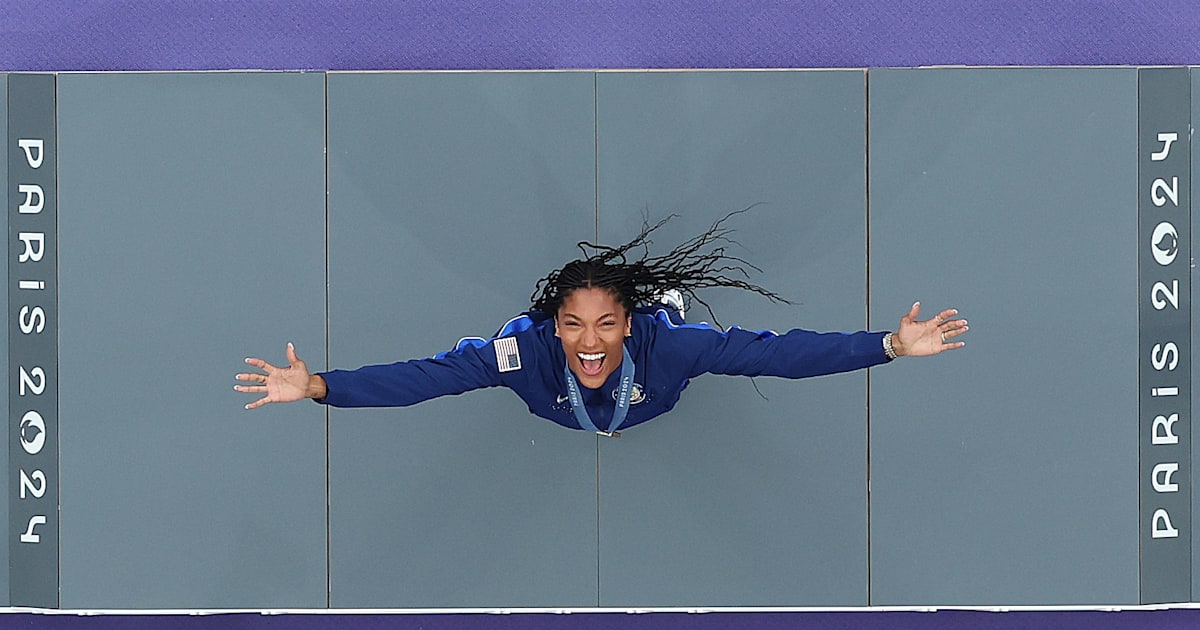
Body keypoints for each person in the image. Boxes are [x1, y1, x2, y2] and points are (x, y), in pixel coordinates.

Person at [236, 212, 967, 436]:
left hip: (655, 390)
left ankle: (659, 295)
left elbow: (780, 356)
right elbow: (422, 380)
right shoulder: (521, 352)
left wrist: (891, 346)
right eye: (574, 323)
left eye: (605, 324)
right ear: (557, 325)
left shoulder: (673, 349)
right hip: (550, 393)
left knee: (698, 338)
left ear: (627, 326)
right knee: (490, 347)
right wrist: (321, 386)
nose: (590, 340)